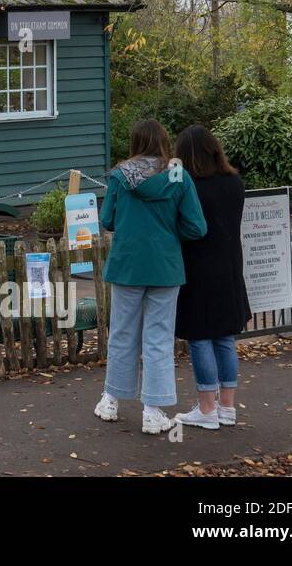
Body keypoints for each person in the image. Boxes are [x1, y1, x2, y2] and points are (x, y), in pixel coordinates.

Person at [95, 119, 208, 434]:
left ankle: (110, 401)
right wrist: (171, 233)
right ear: (163, 142)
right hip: (165, 265)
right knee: (158, 338)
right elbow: (197, 227)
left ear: (134, 142)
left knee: (121, 334)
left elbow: (107, 220)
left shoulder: (120, 175)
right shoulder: (177, 174)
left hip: (128, 264)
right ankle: (152, 411)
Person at [171, 125, 249, 431]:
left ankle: (206, 408)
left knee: (200, 336)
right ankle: (227, 407)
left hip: (198, 266)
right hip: (230, 265)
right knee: (225, 336)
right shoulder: (234, 181)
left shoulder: (190, 186)